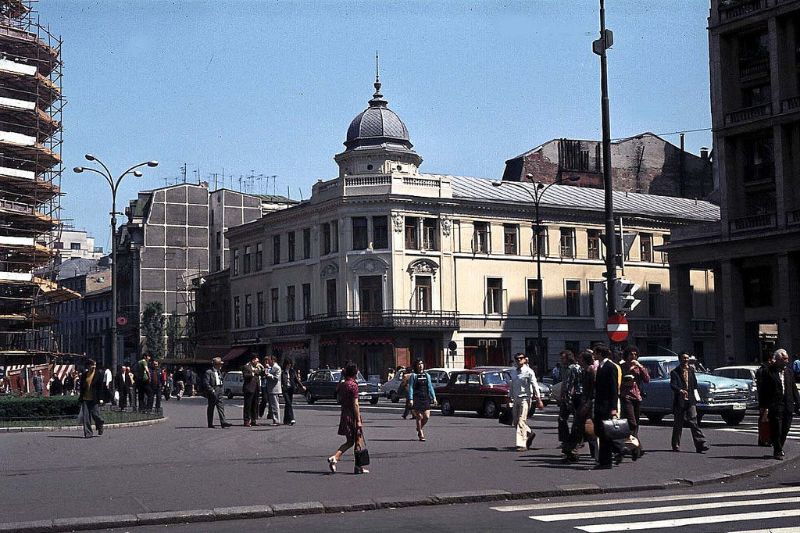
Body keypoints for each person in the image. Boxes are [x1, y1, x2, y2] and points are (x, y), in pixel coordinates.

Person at [328, 362, 368, 474]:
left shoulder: (342, 384)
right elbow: (356, 404)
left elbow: (337, 395)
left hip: (344, 414)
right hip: (353, 415)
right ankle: (358, 466)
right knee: (358, 441)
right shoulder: (353, 385)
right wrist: (359, 420)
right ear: (355, 373)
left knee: (350, 441)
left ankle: (335, 458)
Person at [759, 349, 800, 460]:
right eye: (784, 359)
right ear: (777, 360)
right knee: (777, 428)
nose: (786, 361)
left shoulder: (789, 372)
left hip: (788, 404)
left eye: (787, 359)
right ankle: (777, 450)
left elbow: (793, 388)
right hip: (775, 405)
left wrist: (798, 403)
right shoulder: (768, 372)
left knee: (785, 428)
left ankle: (779, 446)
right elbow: (763, 390)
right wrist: (763, 406)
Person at [670, 352, 709, 453]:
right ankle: (676, 445)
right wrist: (680, 391)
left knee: (693, 421)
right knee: (678, 424)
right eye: (684, 358)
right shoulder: (675, 372)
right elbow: (673, 385)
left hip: (691, 400)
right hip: (680, 401)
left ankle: (700, 444)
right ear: (679, 359)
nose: (686, 360)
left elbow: (694, 384)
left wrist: (696, 396)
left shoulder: (691, 370)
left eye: (687, 358)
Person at [593, 344, 623, 469]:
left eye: (595, 352)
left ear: (600, 353)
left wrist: (613, 408)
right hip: (599, 404)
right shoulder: (600, 366)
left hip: (606, 405)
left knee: (605, 433)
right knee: (600, 432)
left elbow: (613, 389)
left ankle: (606, 461)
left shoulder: (611, 367)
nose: (594, 355)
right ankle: (617, 450)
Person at [509, 353, 543, 452]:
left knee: (521, 421)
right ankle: (530, 432)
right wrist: (509, 397)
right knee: (515, 422)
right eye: (517, 359)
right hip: (516, 399)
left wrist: (539, 399)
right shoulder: (514, 372)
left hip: (525, 399)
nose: (519, 360)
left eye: (521, 358)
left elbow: (535, 385)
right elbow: (512, 385)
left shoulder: (529, 371)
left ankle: (522, 444)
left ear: (524, 360)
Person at [620, 346, 649, 452]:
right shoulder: (622, 366)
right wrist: (628, 372)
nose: (633, 356)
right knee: (632, 422)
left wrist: (639, 367)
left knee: (636, 422)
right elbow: (619, 380)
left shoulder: (638, 367)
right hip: (626, 395)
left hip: (637, 396)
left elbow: (647, 379)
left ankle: (632, 445)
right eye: (631, 354)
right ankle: (636, 446)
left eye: (635, 354)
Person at [408, 359, 437, 442]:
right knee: (419, 416)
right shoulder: (413, 376)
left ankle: (419, 427)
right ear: (416, 366)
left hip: (425, 397)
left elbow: (430, 387)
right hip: (417, 398)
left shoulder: (427, 375)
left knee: (427, 416)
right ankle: (421, 433)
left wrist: (434, 397)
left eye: (421, 364)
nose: (420, 366)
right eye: (418, 364)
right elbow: (410, 388)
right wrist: (410, 399)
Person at [557, 350, 580, 447]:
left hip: (574, 397)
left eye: (563, 358)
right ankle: (565, 440)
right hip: (565, 397)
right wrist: (561, 395)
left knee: (577, 419)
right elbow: (564, 382)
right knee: (562, 419)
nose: (562, 360)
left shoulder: (575, 368)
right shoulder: (563, 368)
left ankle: (578, 440)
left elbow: (577, 383)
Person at [78, 359, 106, 438]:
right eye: (92, 365)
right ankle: (88, 433)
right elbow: (81, 387)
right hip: (85, 398)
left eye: (95, 365)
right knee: (86, 417)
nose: (94, 367)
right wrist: (81, 397)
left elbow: (100, 387)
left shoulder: (98, 374)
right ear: (88, 366)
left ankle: (100, 423)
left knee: (96, 415)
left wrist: (101, 398)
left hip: (94, 398)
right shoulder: (84, 375)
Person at [202, 357, 231, 429]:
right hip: (213, 390)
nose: (221, 366)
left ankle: (223, 422)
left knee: (221, 407)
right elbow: (206, 383)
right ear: (216, 365)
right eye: (220, 364)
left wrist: (222, 389)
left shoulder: (219, 372)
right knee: (211, 407)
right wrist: (211, 390)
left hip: (219, 389)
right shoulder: (209, 372)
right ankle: (210, 423)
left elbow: (220, 380)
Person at [755, 351, 777, 446]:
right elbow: (763, 387)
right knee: (766, 420)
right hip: (765, 399)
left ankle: (763, 438)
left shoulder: (761, 370)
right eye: (773, 359)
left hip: (763, 398)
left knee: (764, 419)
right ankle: (765, 439)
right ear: (769, 359)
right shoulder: (765, 370)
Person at [282, 360, 306, 426]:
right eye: (288, 364)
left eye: (290, 364)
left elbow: (296, 379)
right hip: (285, 389)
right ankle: (292, 418)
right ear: (285, 364)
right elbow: (280, 380)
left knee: (288, 404)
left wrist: (302, 386)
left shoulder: (292, 371)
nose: (289, 365)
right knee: (288, 403)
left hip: (291, 389)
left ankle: (286, 420)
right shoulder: (282, 372)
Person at [241, 355, 263, 427]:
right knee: (248, 405)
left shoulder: (257, 367)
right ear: (253, 360)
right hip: (249, 388)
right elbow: (245, 375)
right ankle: (246, 421)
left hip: (256, 389)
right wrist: (253, 373)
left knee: (255, 405)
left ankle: (254, 420)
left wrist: (261, 368)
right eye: (257, 361)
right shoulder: (246, 367)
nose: (257, 362)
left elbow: (262, 373)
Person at [262, 355, 282, 425]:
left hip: (274, 389)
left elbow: (276, 378)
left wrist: (268, 375)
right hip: (271, 388)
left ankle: (277, 420)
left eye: (269, 360)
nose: (268, 362)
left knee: (275, 405)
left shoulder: (276, 367)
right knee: (273, 405)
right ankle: (275, 420)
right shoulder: (272, 367)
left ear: (273, 360)